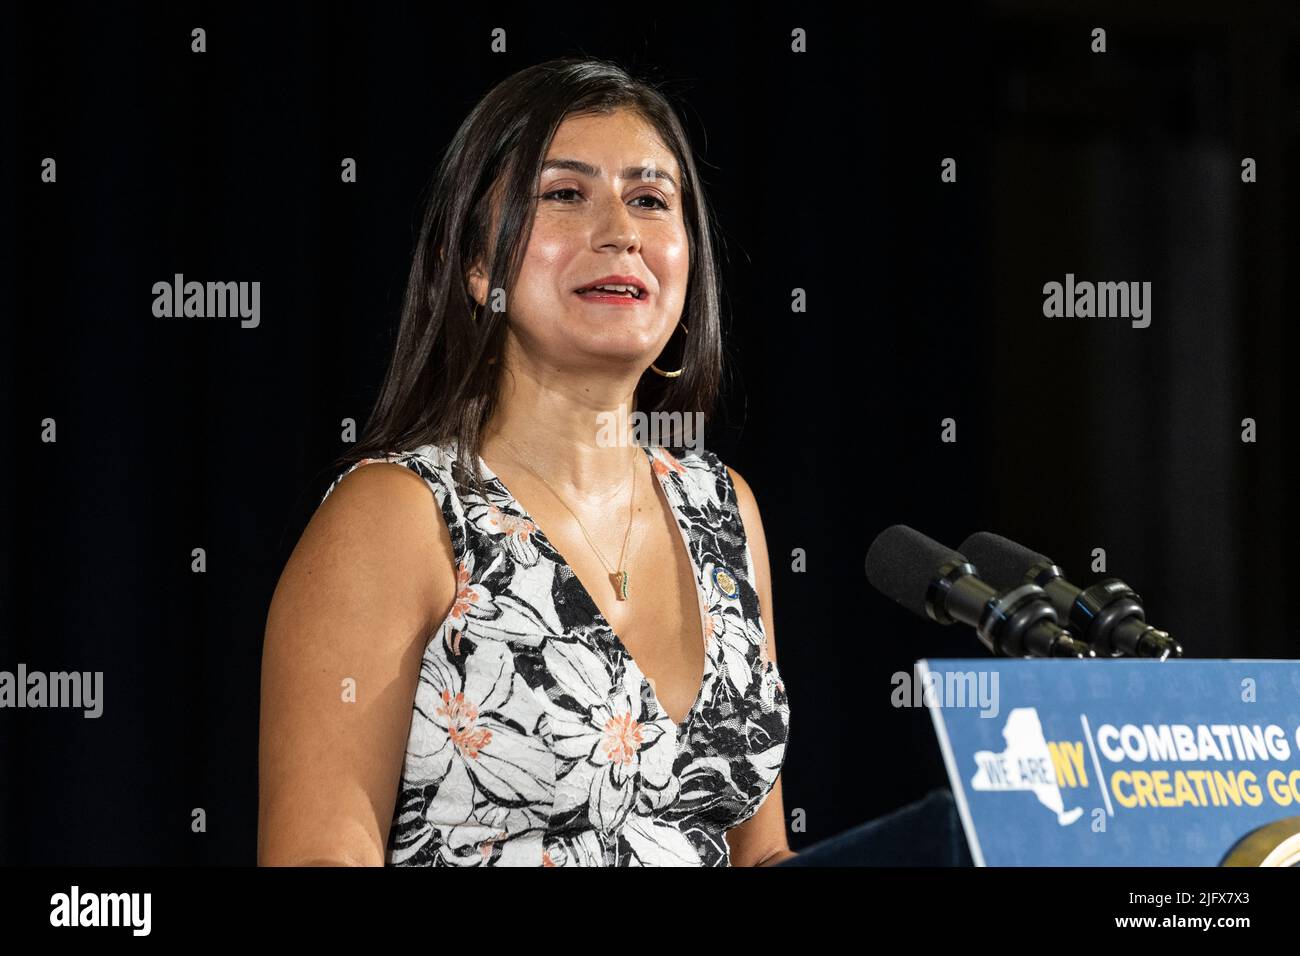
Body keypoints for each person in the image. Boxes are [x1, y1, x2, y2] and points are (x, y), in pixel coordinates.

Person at [258, 56, 794, 866]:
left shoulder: (726, 512)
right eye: (565, 194)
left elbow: (759, 853)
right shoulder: (398, 516)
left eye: (651, 200)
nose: (621, 232)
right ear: (478, 266)